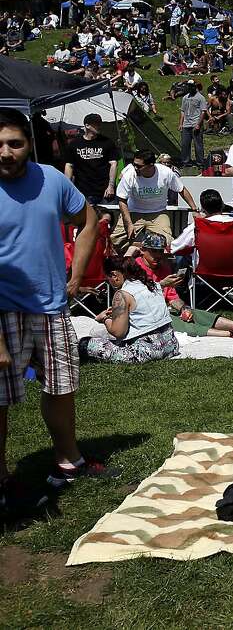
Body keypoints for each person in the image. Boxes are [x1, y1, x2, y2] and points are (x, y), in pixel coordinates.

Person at [0, 108, 119, 502]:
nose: (5, 152)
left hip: (50, 305)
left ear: (28, 145)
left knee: (61, 386)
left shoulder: (50, 179)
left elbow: (89, 220)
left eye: (14, 143)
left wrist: (76, 274)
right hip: (3, 311)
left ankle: (69, 461)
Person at [82, 256, 180, 364]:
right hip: (171, 345)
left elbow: (118, 332)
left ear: (114, 275)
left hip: (146, 351)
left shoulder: (122, 294)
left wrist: (104, 318)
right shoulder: (153, 285)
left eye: (108, 278)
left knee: (85, 343)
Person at [113, 149, 198, 252]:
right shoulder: (130, 174)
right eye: (134, 164)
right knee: (115, 241)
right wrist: (129, 223)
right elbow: (122, 200)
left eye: (139, 166)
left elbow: (181, 190)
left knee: (165, 242)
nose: (135, 168)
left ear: (151, 165)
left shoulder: (165, 173)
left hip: (158, 213)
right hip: (133, 211)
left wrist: (194, 209)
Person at [63, 113, 118, 203]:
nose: (99, 126)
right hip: (83, 191)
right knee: (87, 216)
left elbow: (114, 164)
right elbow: (69, 165)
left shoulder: (107, 142)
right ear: (87, 125)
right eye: (96, 124)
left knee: (107, 215)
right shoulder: (74, 144)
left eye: (100, 123)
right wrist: (67, 187)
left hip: (105, 190)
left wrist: (111, 186)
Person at [179, 81, 208, 168]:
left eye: (191, 86)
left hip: (195, 123)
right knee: (185, 144)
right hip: (186, 124)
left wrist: (198, 124)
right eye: (188, 86)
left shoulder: (200, 98)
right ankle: (185, 161)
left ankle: (200, 162)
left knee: (197, 144)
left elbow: (203, 112)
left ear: (194, 87)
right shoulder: (185, 98)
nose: (189, 88)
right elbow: (183, 111)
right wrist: (181, 123)